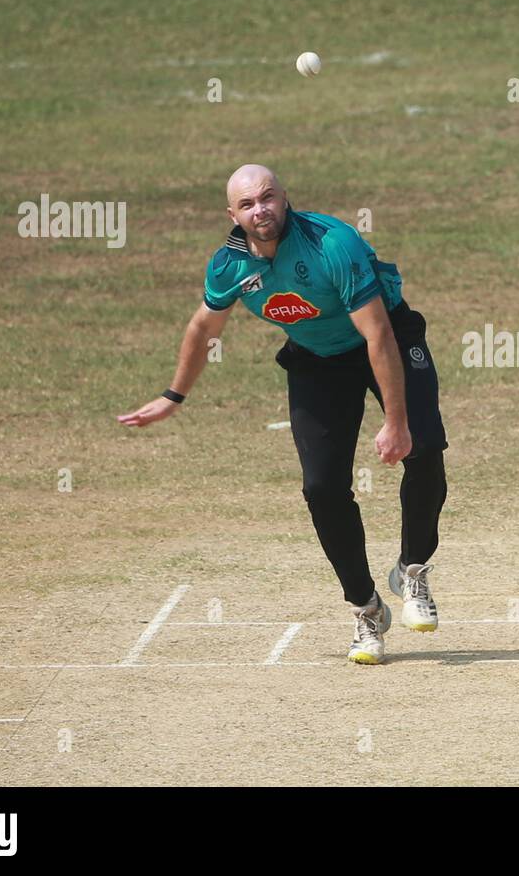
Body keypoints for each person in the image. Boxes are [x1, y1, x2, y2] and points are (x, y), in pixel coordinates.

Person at [118, 164, 447, 664]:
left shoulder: (331, 244)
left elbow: (377, 334)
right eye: (247, 204)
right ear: (232, 215)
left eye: (268, 197)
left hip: (387, 340)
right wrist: (173, 395)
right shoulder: (229, 266)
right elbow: (204, 325)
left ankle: (414, 569)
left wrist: (396, 423)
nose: (260, 210)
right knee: (321, 488)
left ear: (285, 198)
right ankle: (365, 607)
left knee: (423, 449)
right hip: (316, 360)